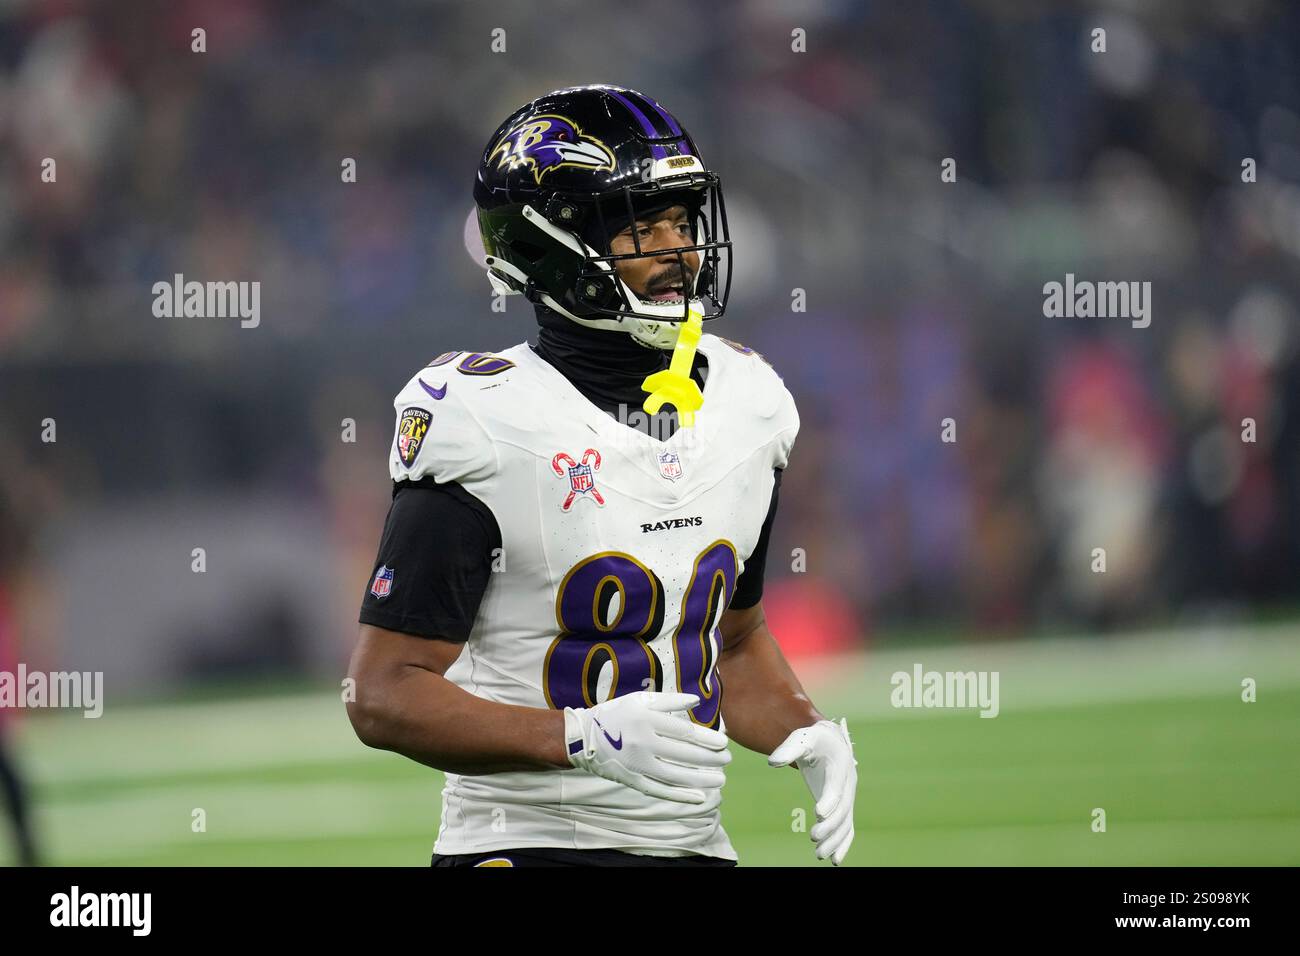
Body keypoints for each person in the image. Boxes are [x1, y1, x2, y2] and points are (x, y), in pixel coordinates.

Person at [346, 85, 856, 867]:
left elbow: (735, 638)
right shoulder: (485, 419)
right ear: (551, 244)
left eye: (682, 222)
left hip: (694, 846)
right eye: (640, 227)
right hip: (526, 841)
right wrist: (580, 738)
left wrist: (805, 728)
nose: (678, 250)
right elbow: (383, 692)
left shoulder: (752, 404)